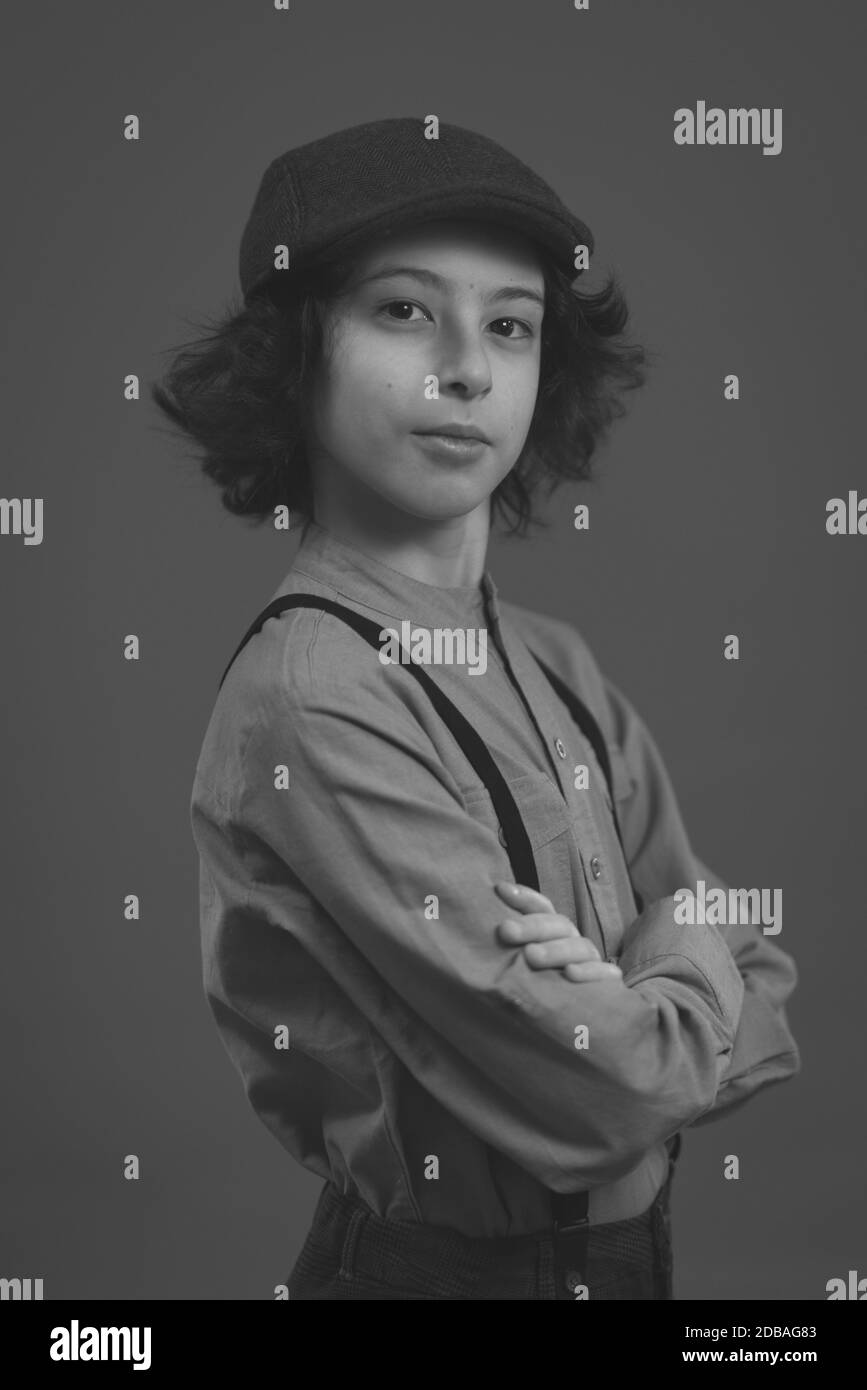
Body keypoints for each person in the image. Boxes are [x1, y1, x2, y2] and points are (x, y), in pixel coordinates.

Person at [152, 116, 800, 1300]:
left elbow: (759, 954)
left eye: (511, 324)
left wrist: (646, 982)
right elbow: (621, 1088)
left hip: (634, 1267)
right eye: (404, 310)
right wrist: (660, 972)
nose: (470, 366)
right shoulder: (314, 697)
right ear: (299, 353)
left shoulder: (554, 662)